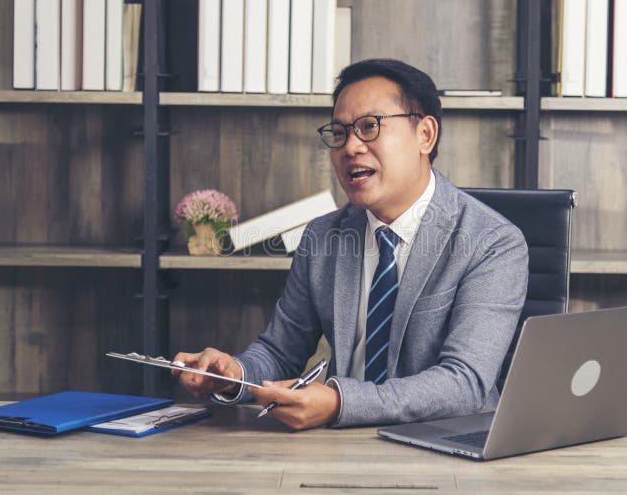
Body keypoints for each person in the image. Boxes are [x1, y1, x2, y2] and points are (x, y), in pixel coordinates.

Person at [174, 58, 528, 429]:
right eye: (340, 133)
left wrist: (340, 402)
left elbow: (464, 383)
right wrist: (233, 374)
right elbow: (280, 352)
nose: (350, 147)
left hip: (446, 445)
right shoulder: (323, 236)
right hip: (338, 444)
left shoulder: (492, 242)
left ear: (425, 134)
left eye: (369, 127)